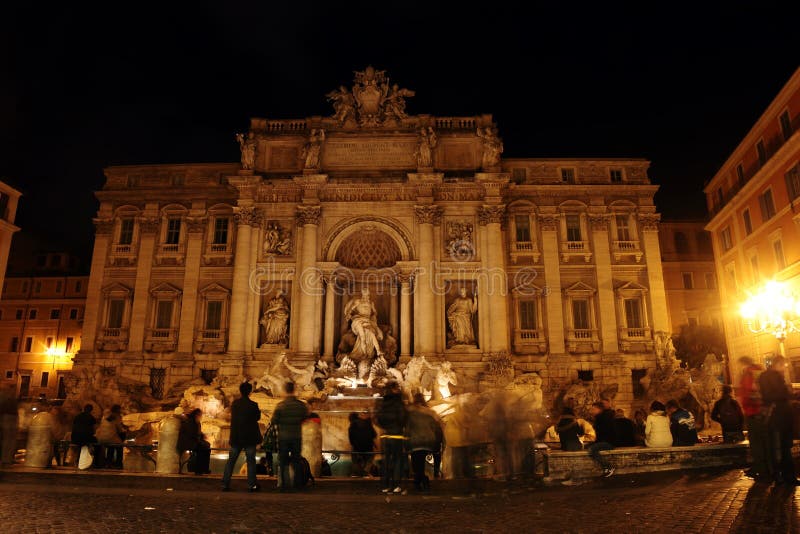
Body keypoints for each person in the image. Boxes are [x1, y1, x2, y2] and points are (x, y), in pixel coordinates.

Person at [758, 356, 799, 485]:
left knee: (782, 447)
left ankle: (784, 476)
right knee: (781, 447)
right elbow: (771, 395)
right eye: (784, 365)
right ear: (779, 364)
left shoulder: (767, 376)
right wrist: (790, 395)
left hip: (780, 416)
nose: (785, 368)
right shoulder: (772, 376)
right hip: (778, 416)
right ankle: (782, 476)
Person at [222, 382, 263, 492]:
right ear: (250, 392)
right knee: (251, 461)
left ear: (240, 391)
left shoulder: (235, 404)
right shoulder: (253, 405)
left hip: (236, 437)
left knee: (231, 461)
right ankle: (251, 484)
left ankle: (225, 483)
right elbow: (257, 418)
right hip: (249, 437)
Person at [270, 382, 308, 491]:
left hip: (284, 437)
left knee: (283, 462)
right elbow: (305, 417)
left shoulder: (281, 405)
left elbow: (274, 421)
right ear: (294, 390)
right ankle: (297, 484)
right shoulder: (300, 405)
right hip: (296, 436)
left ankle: (284, 485)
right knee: (296, 461)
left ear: (285, 390)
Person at [738, 356, 770, 480]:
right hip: (763, 412)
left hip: (753, 412)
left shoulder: (748, 374)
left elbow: (748, 393)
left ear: (744, 363)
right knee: (764, 442)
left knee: (756, 443)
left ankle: (762, 471)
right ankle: (764, 468)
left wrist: (745, 404)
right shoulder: (760, 372)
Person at [375, 381, 407, 494]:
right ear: (394, 389)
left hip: (386, 435)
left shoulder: (382, 403)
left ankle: (385, 486)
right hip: (397, 434)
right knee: (398, 460)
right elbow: (403, 418)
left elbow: (378, 418)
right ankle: (396, 485)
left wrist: (385, 426)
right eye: (397, 387)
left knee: (386, 461)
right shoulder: (399, 402)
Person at [406, 394, 441, 491]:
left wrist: (406, 440)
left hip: (415, 441)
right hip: (428, 441)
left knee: (416, 463)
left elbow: (408, 428)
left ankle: (422, 481)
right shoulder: (430, 412)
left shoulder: (410, 412)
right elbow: (437, 426)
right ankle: (419, 482)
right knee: (420, 463)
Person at [177, 408, 211, 475]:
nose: (201, 417)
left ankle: (204, 468)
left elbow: (196, 433)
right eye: (200, 415)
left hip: (192, 441)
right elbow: (191, 434)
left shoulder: (196, 422)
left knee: (207, 447)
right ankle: (198, 470)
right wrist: (199, 440)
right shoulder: (189, 421)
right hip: (186, 443)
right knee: (202, 448)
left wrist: (202, 436)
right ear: (196, 415)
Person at [588, 401, 616, 477]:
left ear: (599, 409)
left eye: (594, 409)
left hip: (609, 442)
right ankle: (606, 469)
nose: (592, 411)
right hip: (605, 441)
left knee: (591, 449)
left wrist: (595, 443)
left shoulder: (603, 418)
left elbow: (604, 432)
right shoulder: (600, 417)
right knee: (589, 446)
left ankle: (609, 467)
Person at [348, 410, 376, 477]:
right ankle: (366, 471)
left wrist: (354, 444)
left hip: (357, 448)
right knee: (370, 457)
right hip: (368, 447)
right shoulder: (367, 422)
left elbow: (351, 439)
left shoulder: (352, 425)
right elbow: (374, 434)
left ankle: (356, 473)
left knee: (354, 458)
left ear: (350, 419)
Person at [0, 384, 19, 467]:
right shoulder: (5, 397)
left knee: (9, 440)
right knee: (8, 440)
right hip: (7, 419)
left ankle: (7, 459)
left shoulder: (8, 397)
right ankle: (6, 459)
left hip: (9, 419)